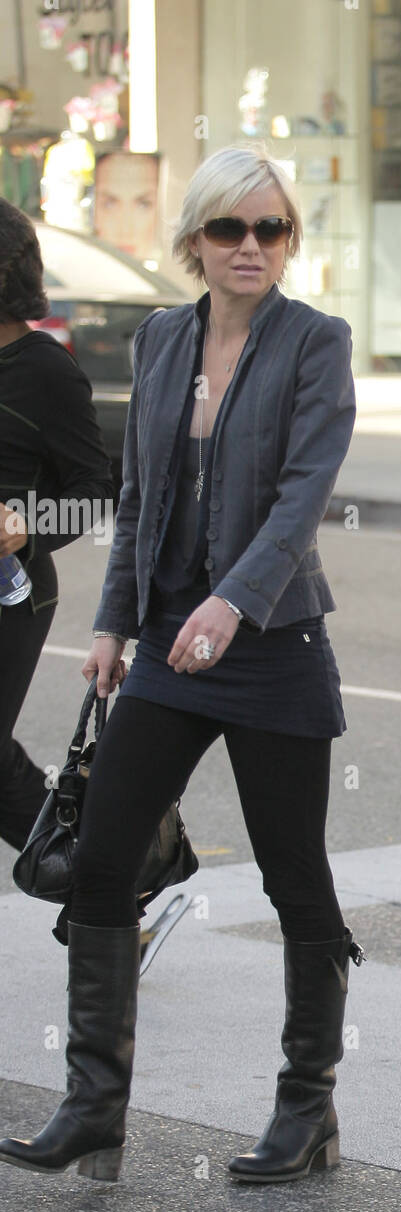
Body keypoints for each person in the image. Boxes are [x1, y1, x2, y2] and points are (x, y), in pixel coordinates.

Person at [0, 145, 362, 1185]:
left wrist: (231, 601)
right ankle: (93, 1104)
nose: (251, 248)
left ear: (288, 241)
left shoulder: (315, 344)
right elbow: (138, 497)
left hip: (272, 645)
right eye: (229, 230)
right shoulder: (162, 339)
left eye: (272, 230)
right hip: (164, 644)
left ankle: (307, 1107)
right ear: (194, 242)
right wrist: (116, 623)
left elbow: (301, 497)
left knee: (296, 874)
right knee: (104, 859)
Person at [0, 199, 114, 853]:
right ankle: (102, 890)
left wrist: (23, 526)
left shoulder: (44, 370)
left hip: (13, 591)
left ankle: (101, 886)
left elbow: (93, 491)